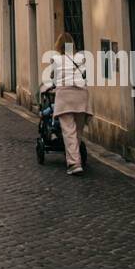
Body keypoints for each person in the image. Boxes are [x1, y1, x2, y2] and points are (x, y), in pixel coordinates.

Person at [42, 31, 92, 175]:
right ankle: (76, 158)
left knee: (69, 131)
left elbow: (53, 79)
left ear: (59, 45)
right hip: (81, 96)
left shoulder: (56, 59)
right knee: (78, 132)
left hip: (65, 97)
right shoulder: (81, 58)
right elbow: (85, 75)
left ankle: (74, 164)